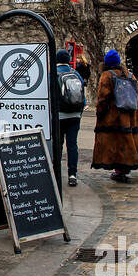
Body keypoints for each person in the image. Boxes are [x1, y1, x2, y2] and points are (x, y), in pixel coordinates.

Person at [91, 48, 138, 183]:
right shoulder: (130, 75)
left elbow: (103, 98)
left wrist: (100, 113)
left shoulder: (107, 76)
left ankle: (119, 169)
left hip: (114, 117)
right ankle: (125, 167)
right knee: (127, 142)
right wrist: (132, 110)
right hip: (130, 116)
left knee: (115, 144)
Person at [55, 49, 85, 186]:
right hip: (75, 115)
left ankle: (56, 174)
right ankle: (72, 174)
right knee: (72, 145)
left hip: (60, 115)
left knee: (58, 144)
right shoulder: (75, 73)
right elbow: (82, 96)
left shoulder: (54, 73)